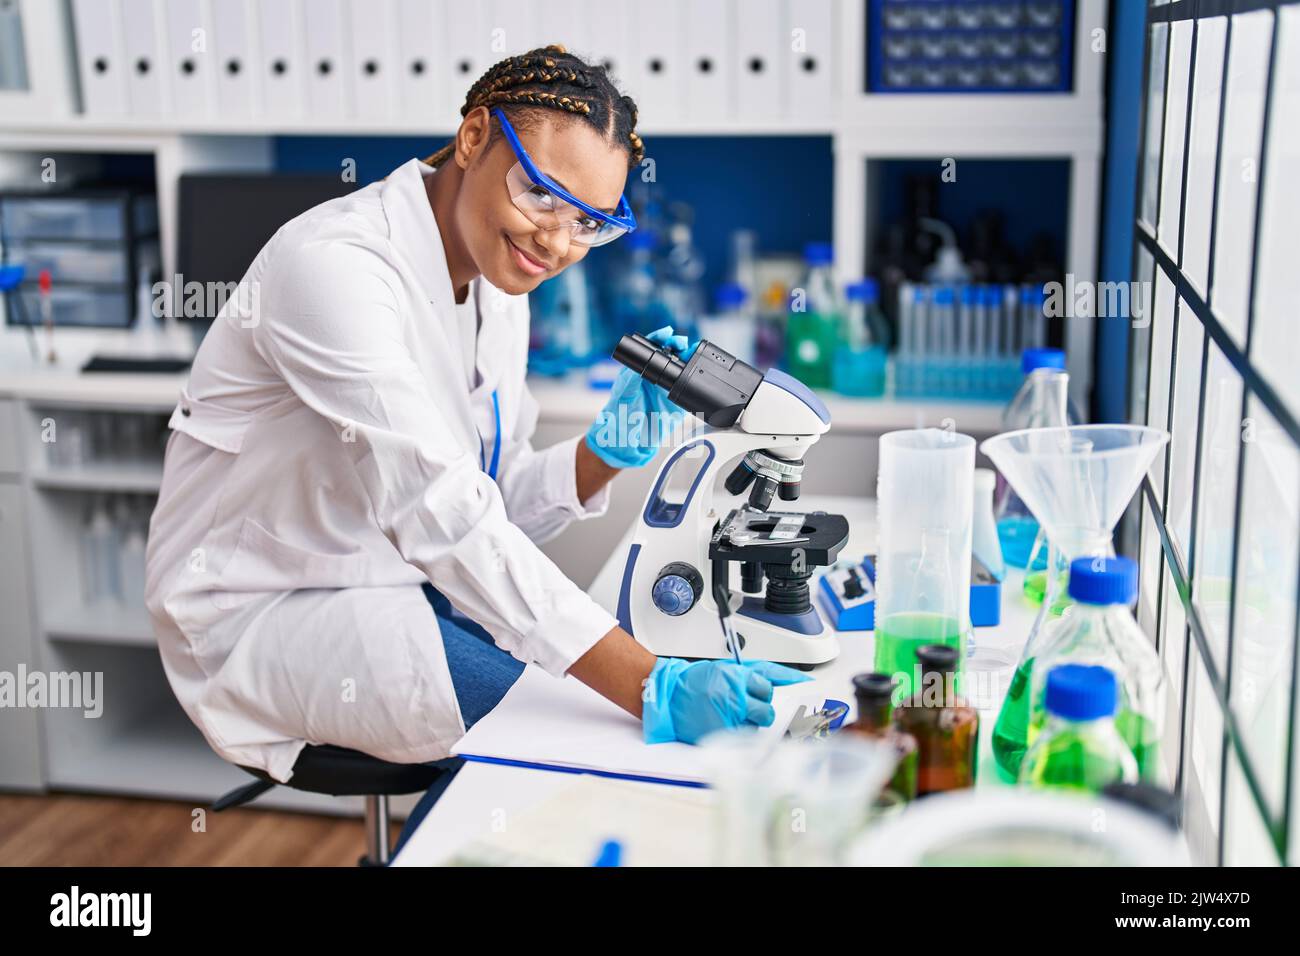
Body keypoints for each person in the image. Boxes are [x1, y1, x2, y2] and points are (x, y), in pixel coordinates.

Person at [144, 46, 807, 838]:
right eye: (539, 193)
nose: (558, 243)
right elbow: (444, 513)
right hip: (264, 609)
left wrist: (606, 452)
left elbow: (489, 499)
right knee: (571, 729)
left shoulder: (500, 280)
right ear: (472, 138)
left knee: (594, 709)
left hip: (397, 579)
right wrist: (650, 683)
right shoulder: (333, 269)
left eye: (587, 222)